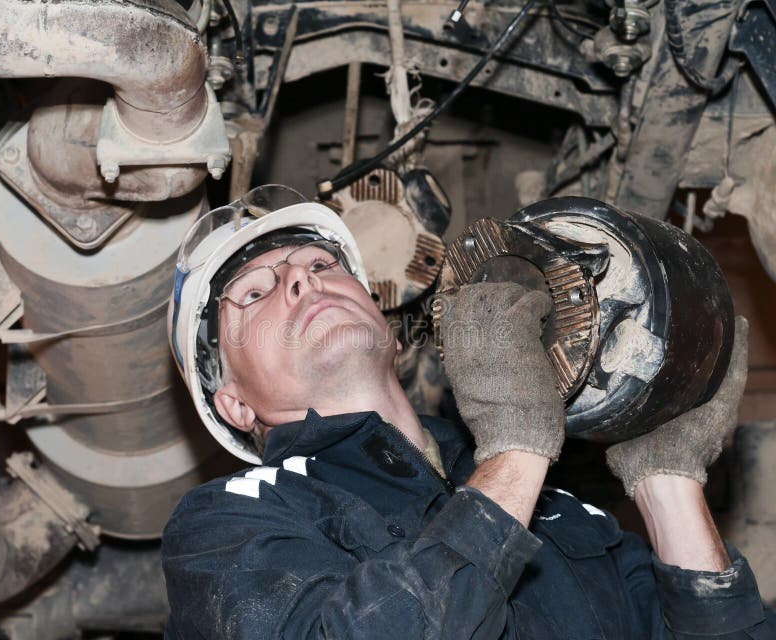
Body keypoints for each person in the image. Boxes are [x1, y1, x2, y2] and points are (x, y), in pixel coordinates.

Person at [162, 185, 774, 639]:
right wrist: (515, 447)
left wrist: (667, 481)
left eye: (321, 265)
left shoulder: (557, 506)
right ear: (234, 404)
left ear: (390, 331)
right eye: (254, 292)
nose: (301, 277)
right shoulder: (225, 525)